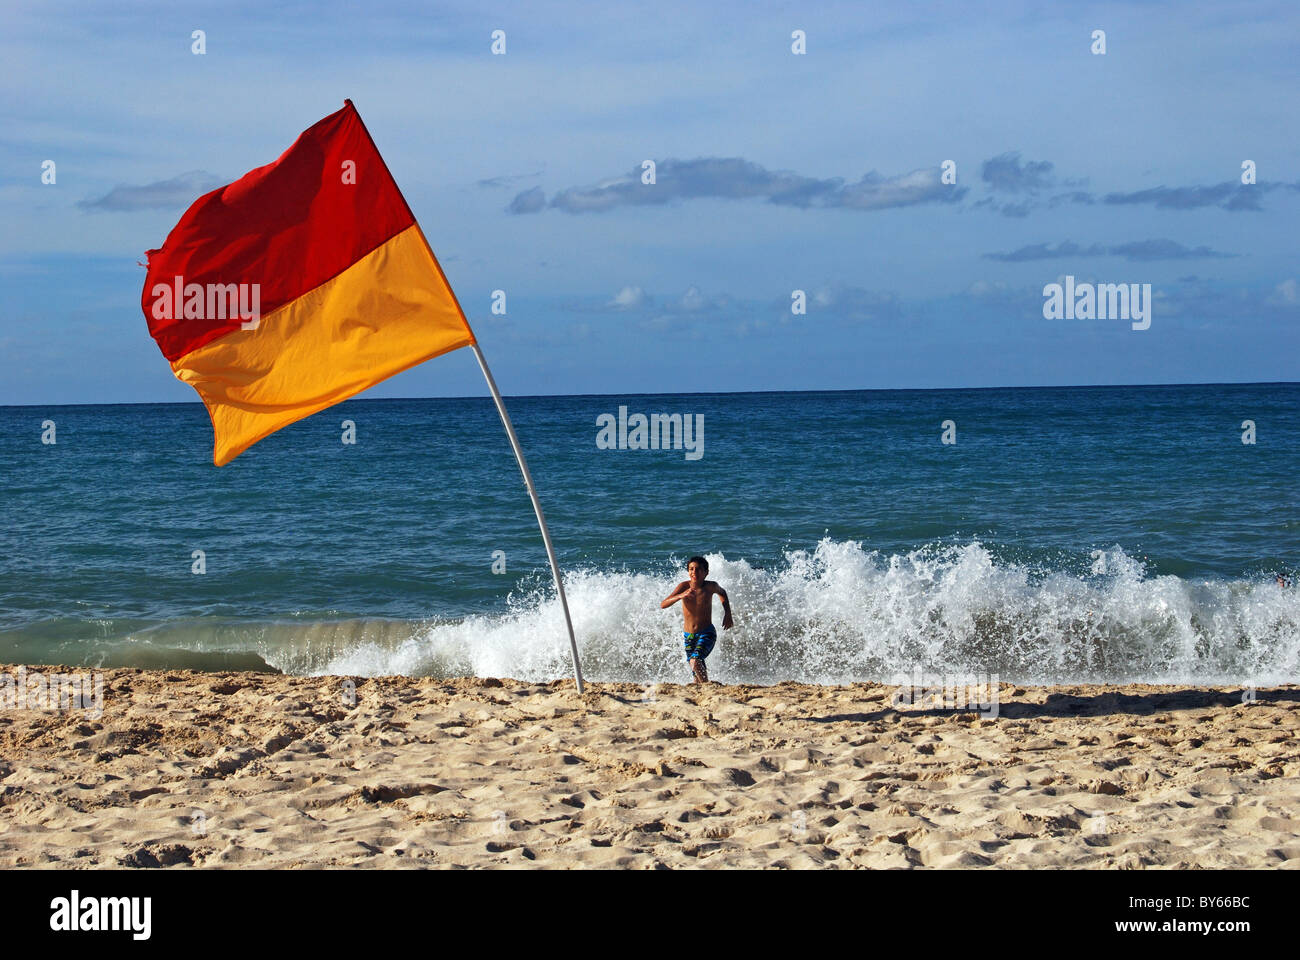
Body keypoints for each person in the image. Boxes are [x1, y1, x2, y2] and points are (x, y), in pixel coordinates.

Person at [660, 556, 734, 683]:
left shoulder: (710, 586)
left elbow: (722, 593)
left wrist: (728, 613)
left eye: (698, 569)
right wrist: (680, 596)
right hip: (688, 635)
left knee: (695, 661)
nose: (694, 572)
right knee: (695, 671)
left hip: (707, 632)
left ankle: (707, 687)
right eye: (691, 569)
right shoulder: (683, 586)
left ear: (706, 572)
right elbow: (663, 604)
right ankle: (701, 687)